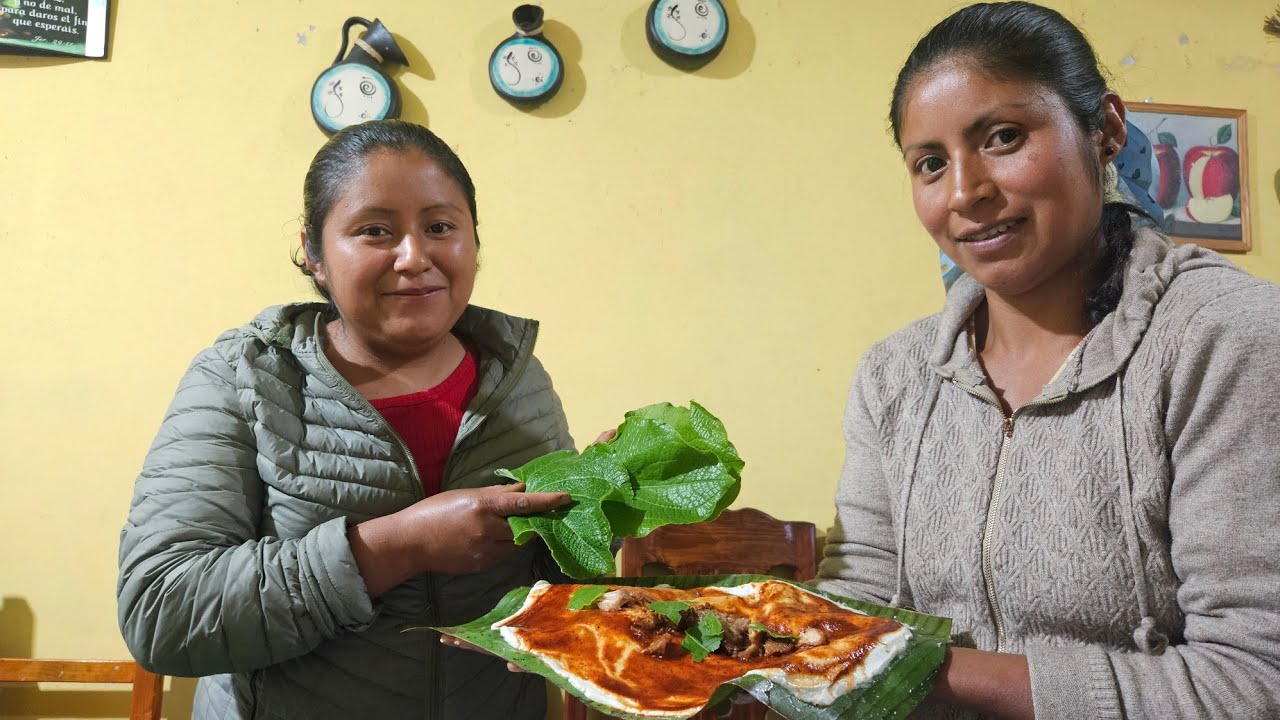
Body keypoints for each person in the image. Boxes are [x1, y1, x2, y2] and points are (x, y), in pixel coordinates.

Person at [816, 3, 1280, 718]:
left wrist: (921, 670)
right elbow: (857, 604)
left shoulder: (1222, 338)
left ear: (1107, 129)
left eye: (1003, 137)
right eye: (930, 164)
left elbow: (1253, 680)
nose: (966, 192)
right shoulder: (894, 376)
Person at [117, 120, 576, 720]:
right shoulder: (242, 377)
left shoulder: (516, 373)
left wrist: (599, 504)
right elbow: (163, 613)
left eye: (440, 227)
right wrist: (396, 547)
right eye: (375, 231)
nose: (415, 257)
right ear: (314, 252)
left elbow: (550, 582)